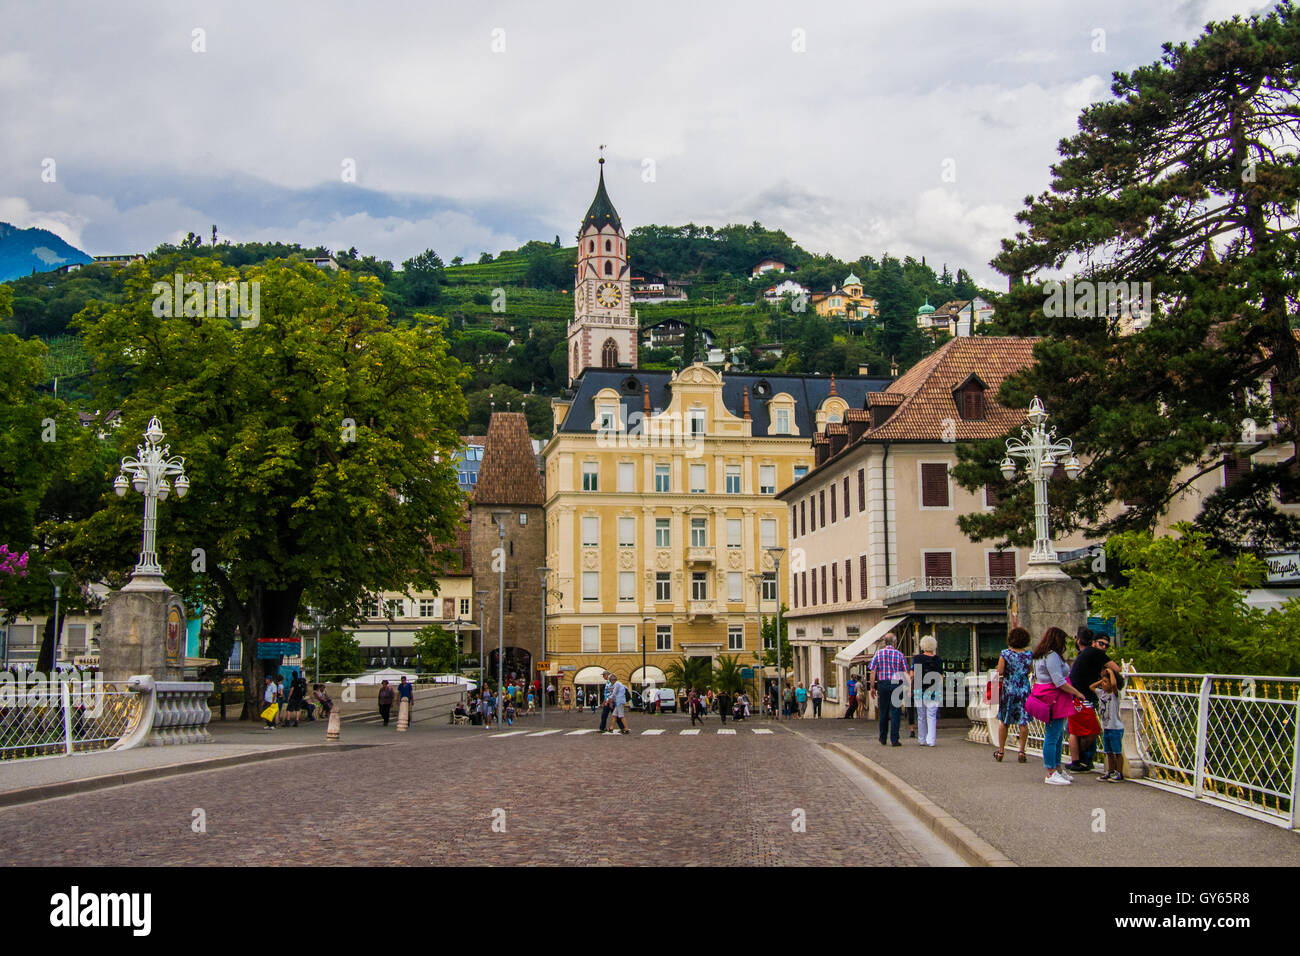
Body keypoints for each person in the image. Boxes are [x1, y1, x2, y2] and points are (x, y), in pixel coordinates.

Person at [1030, 626, 1088, 785]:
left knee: (1055, 734)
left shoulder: (1039, 656)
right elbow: (1059, 681)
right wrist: (1077, 693)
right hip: (1054, 697)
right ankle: (1051, 771)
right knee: (1053, 735)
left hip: (1046, 695)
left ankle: (1057, 768)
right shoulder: (1052, 656)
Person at [1067, 628, 1119, 772]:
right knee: (1092, 731)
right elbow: (1117, 668)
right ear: (1093, 642)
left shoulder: (1084, 654)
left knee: (1076, 731)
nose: (1103, 648)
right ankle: (1080, 758)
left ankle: (1078, 760)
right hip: (1083, 698)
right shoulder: (1093, 653)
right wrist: (1110, 672)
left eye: (1106, 646)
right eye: (1101, 644)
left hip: (1077, 697)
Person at [993, 627, 1033, 763]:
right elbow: (1030, 670)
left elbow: (1000, 671)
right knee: (1023, 721)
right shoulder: (1028, 655)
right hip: (1023, 689)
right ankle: (1022, 751)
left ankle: (1001, 751)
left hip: (1009, 688)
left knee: (1004, 721)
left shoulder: (1005, 654)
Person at [868, 633, 908, 746]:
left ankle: (883, 737)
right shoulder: (899, 654)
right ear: (894, 642)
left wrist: (872, 687)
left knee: (883, 712)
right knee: (896, 712)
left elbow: (872, 671)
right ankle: (894, 739)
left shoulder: (878, 654)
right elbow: (905, 671)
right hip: (896, 684)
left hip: (883, 684)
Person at [1091, 667, 1126, 782]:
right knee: (1108, 752)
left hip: (1115, 727)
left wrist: (1111, 673)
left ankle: (1119, 772)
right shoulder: (1102, 693)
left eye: (1106, 682)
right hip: (1106, 727)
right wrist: (1102, 680)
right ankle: (1110, 771)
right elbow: (1092, 687)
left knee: (1117, 752)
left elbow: (1115, 686)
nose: (1103, 685)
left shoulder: (1115, 695)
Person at [909, 635, 943, 746]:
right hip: (934, 690)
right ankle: (931, 740)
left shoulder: (917, 658)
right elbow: (941, 676)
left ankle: (922, 739)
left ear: (922, 646)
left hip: (920, 689)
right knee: (932, 716)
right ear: (934, 646)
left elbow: (912, 674)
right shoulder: (938, 659)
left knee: (921, 716)